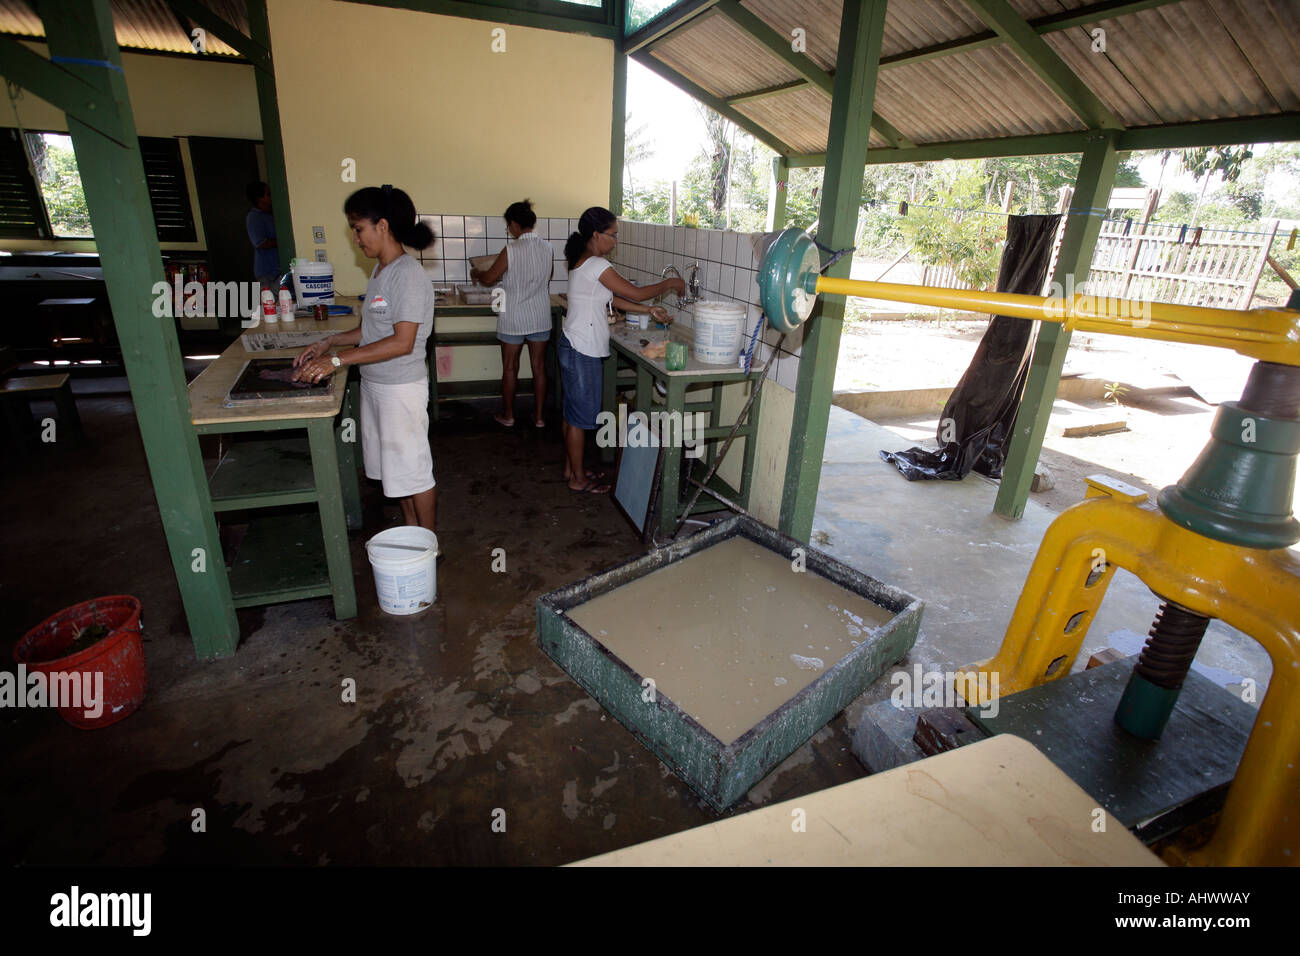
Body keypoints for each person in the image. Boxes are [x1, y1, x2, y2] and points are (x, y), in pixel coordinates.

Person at [293, 185, 439, 532]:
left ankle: (429, 545)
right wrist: (327, 342)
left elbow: (402, 342)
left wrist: (338, 361)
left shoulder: (409, 276)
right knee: (395, 471)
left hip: (400, 390)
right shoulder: (380, 272)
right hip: (376, 385)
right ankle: (410, 531)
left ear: (383, 226)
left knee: (414, 472)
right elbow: (369, 331)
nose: (356, 239)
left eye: (358, 229)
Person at [560, 206, 684, 494]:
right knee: (579, 419)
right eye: (613, 235)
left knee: (572, 413)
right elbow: (635, 291)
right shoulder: (597, 265)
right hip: (582, 349)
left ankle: (571, 469)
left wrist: (647, 309)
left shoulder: (585, 261)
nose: (616, 241)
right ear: (596, 234)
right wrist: (669, 283)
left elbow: (611, 298)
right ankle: (577, 479)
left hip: (573, 343)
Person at [470, 199, 552, 428]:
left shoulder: (511, 249)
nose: (509, 230)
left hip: (514, 316)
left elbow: (488, 278)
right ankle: (539, 417)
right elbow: (549, 276)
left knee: (509, 367)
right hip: (540, 316)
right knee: (539, 367)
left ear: (515, 224)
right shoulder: (548, 248)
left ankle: (508, 415)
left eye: (509, 226)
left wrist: (477, 271)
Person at [245, 181, 278, 291]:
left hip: (278, 270)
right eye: (268, 194)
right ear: (260, 198)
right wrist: (282, 241)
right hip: (267, 272)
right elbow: (260, 243)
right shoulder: (254, 217)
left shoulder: (272, 214)